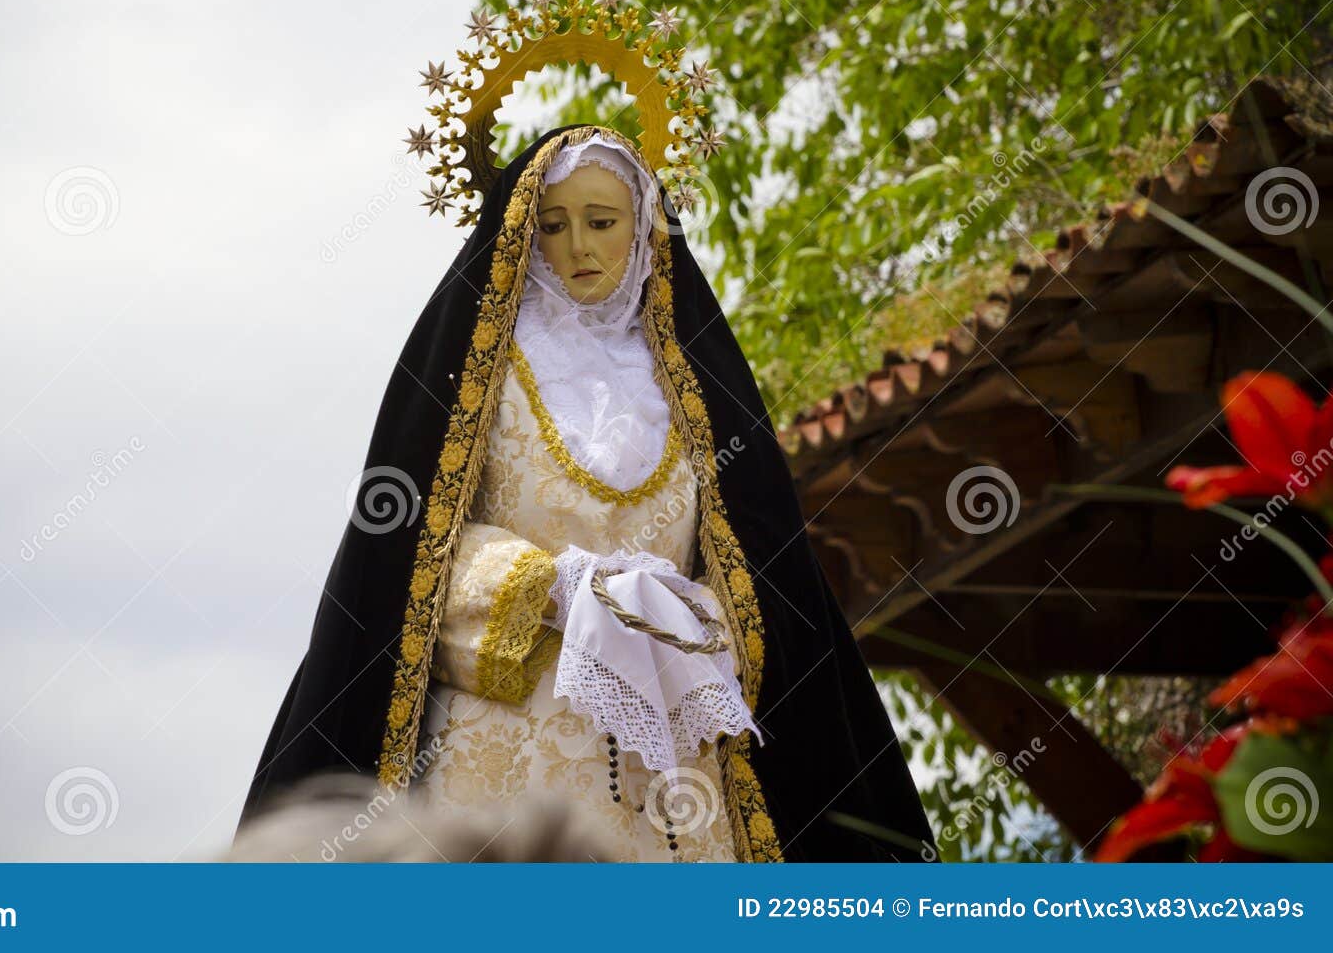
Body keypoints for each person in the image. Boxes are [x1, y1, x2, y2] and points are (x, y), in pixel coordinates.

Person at [237, 123, 935, 862]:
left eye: (602, 222)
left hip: (672, 766)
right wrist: (557, 585)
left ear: (642, 229)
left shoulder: (694, 387)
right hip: (502, 751)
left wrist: (695, 620)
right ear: (522, 232)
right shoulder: (476, 374)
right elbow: (405, 557)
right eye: (554, 224)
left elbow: (764, 570)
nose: (580, 247)